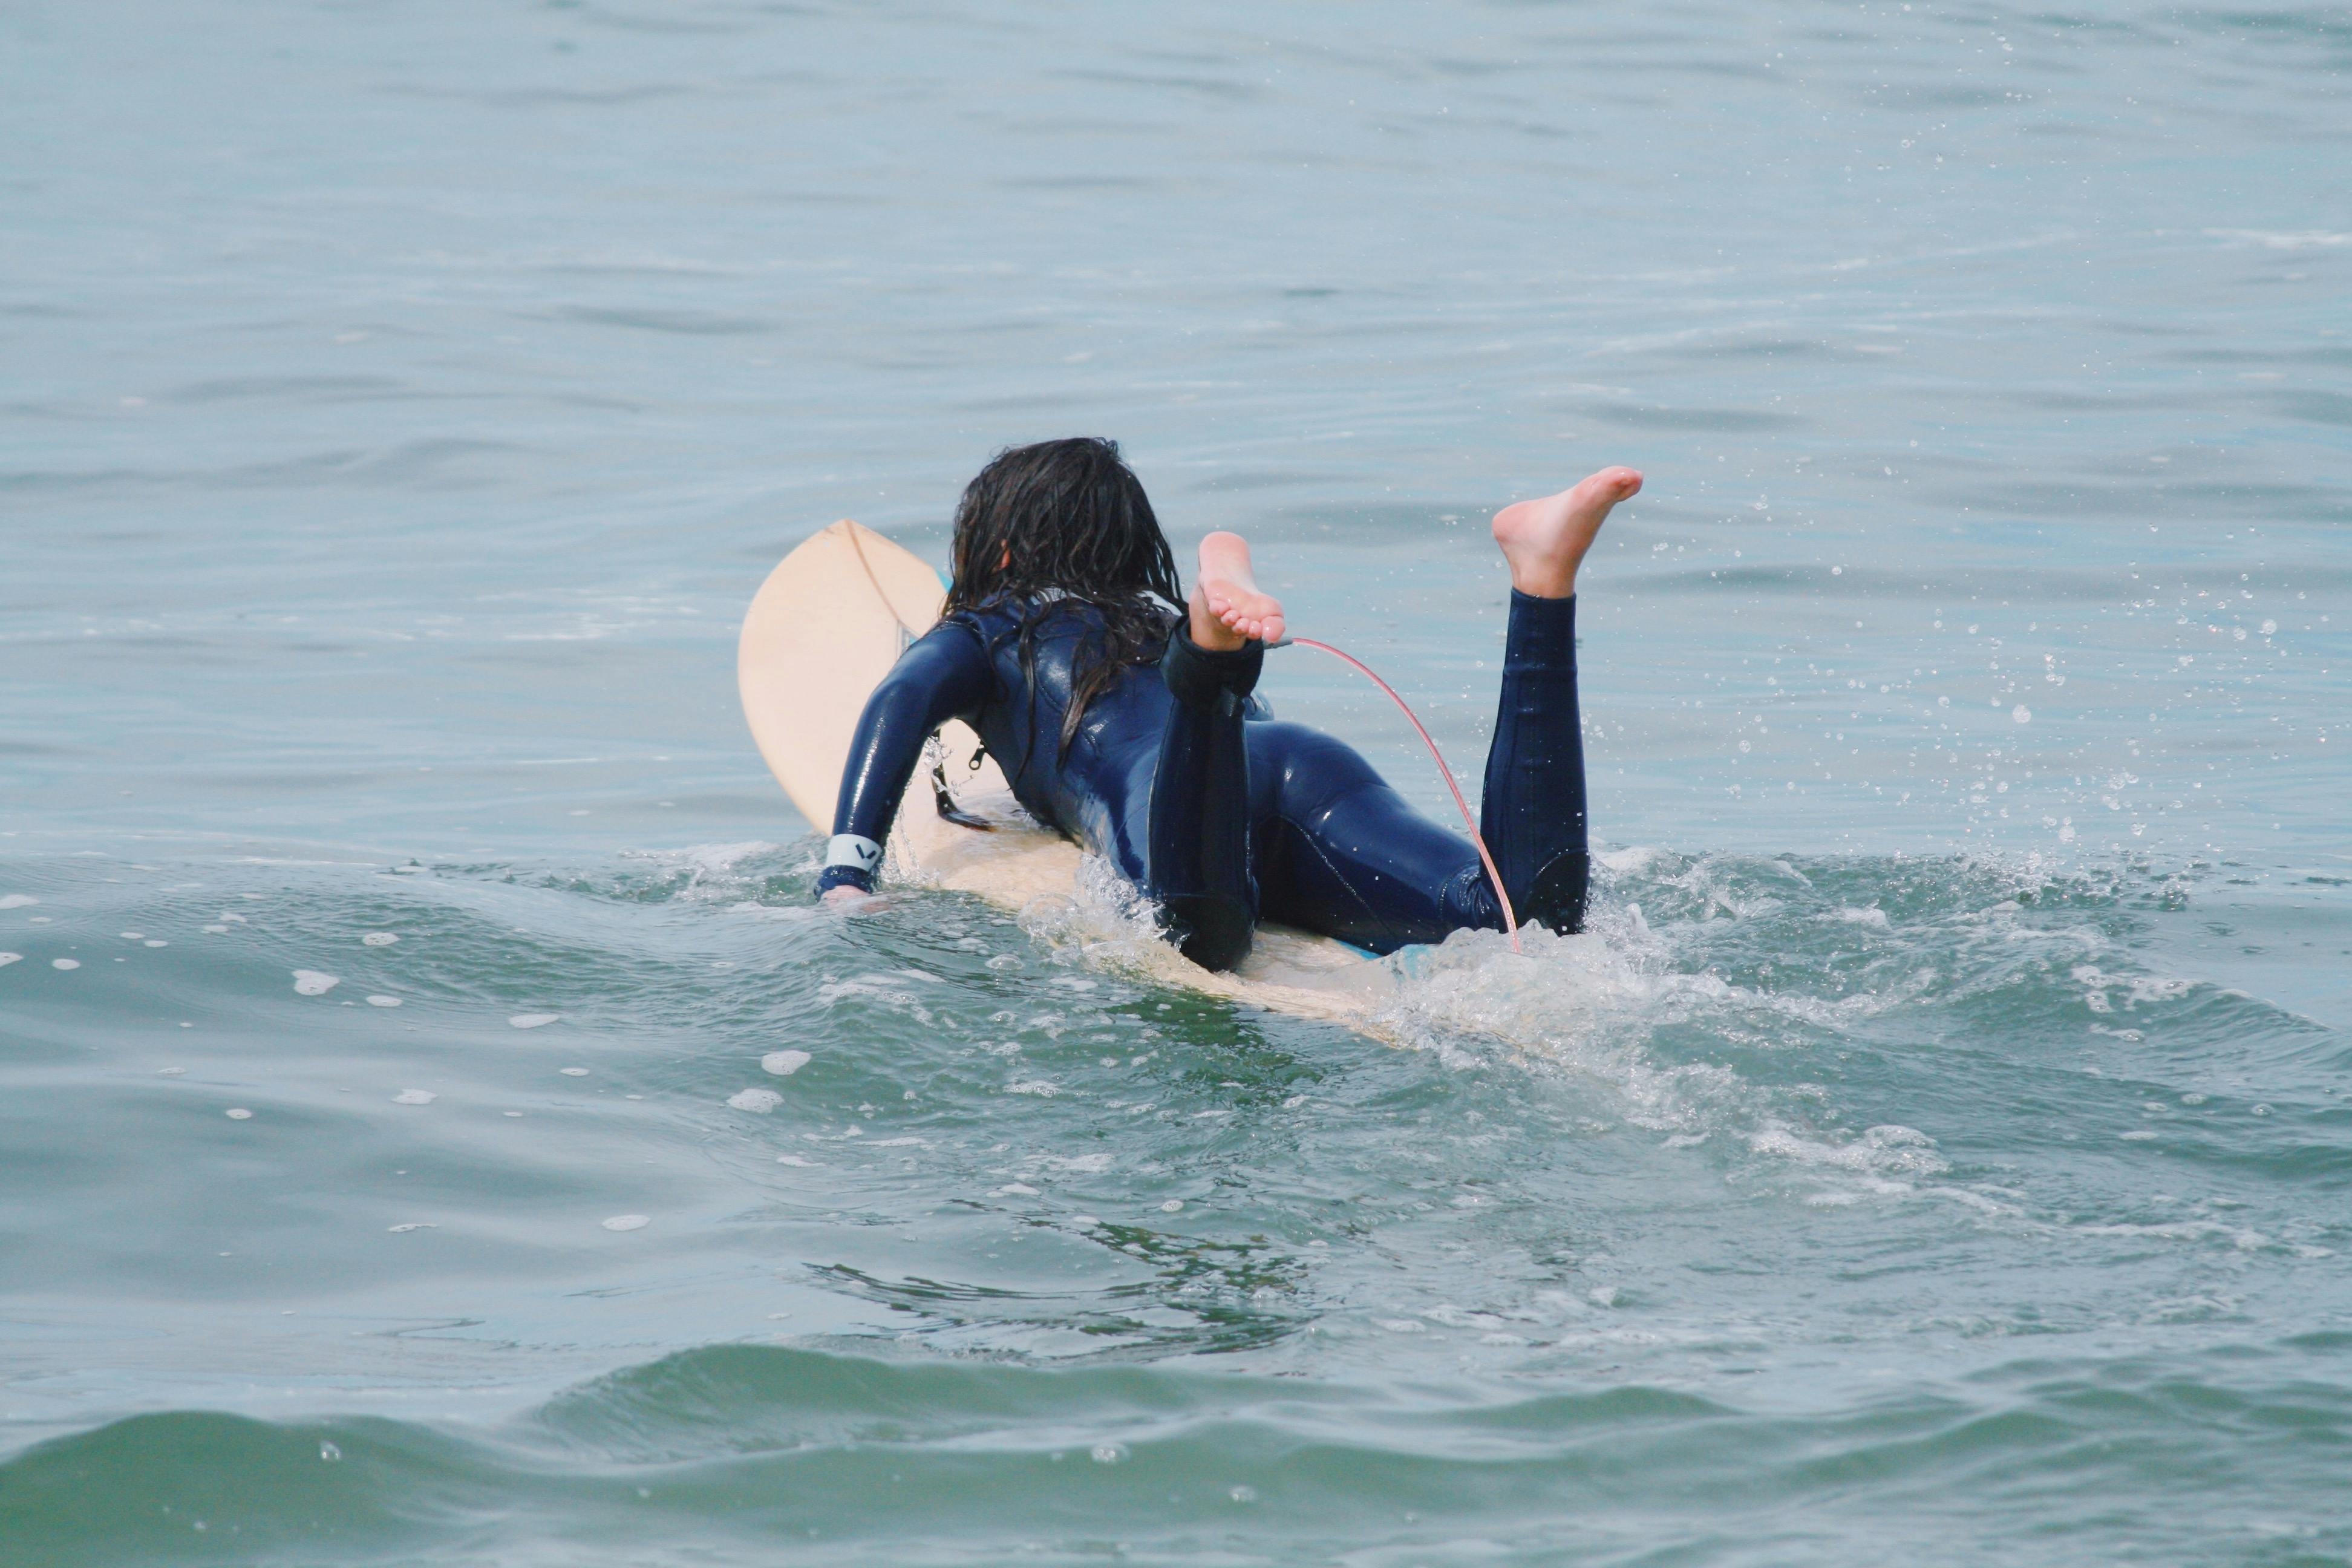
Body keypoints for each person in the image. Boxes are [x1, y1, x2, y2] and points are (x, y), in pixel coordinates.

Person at [816, 437, 1639, 971]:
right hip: (1304, 768)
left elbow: (900, 696)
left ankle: (1212, 668)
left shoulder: (989, 629)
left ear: (996, 549)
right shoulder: (1150, 618)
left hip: (1176, 786)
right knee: (1522, 929)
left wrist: (847, 874)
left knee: (1197, 939)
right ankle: (1542, 580)